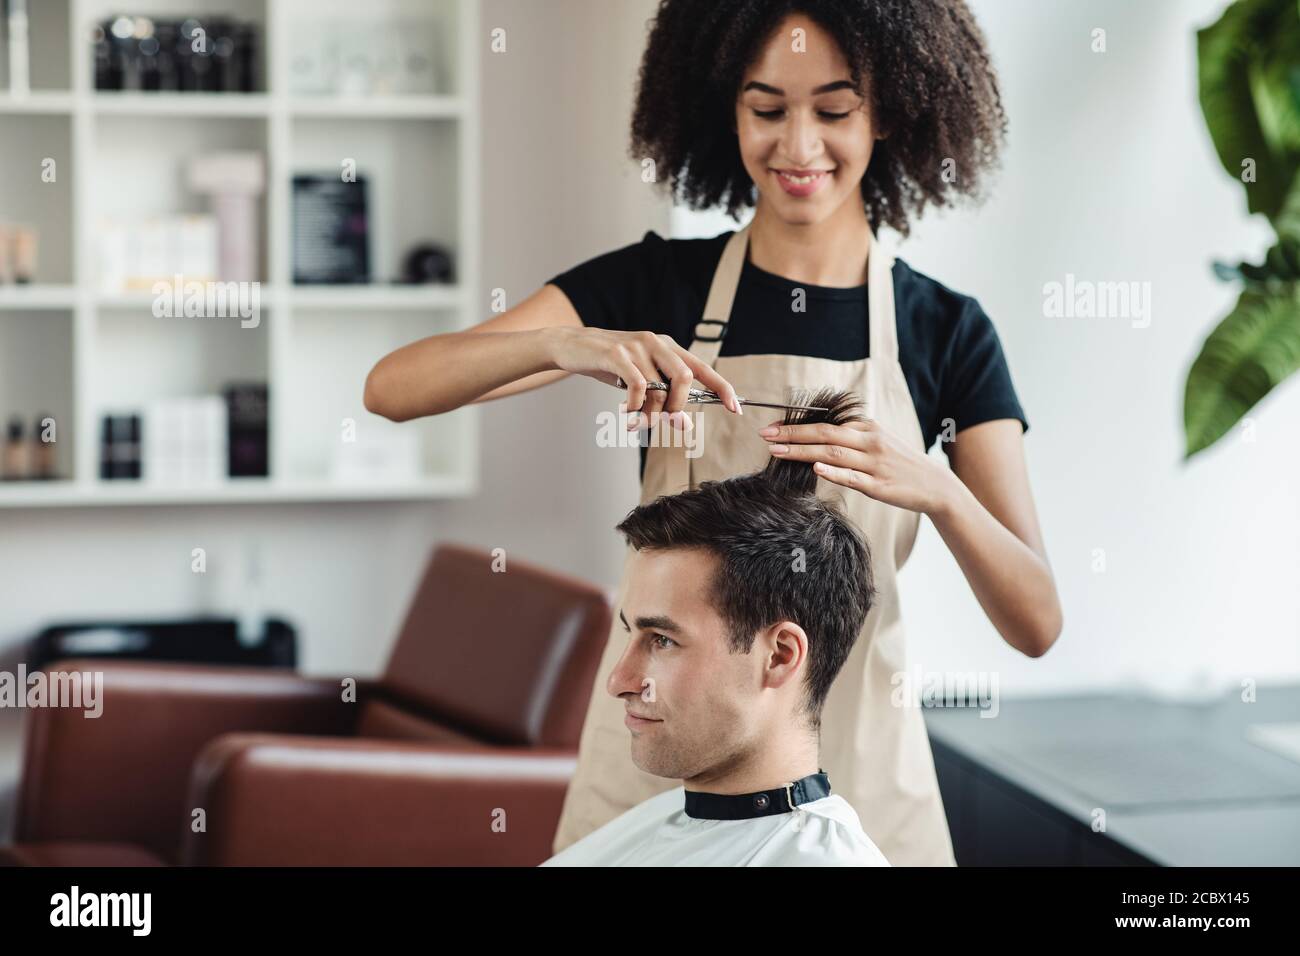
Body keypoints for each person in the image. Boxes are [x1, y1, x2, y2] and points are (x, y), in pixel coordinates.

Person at [364, 0, 1063, 867]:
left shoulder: (944, 330)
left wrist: (938, 488)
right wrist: (562, 343)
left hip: (862, 770)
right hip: (660, 764)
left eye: (834, 110)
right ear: (723, 108)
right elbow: (391, 389)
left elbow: (1036, 622)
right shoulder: (659, 288)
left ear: (888, 113)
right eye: (766, 109)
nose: (798, 145)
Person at [544, 390, 890, 866]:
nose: (619, 682)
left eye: (662, 640)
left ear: (780, 655)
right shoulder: (663, 821)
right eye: (631, 636)